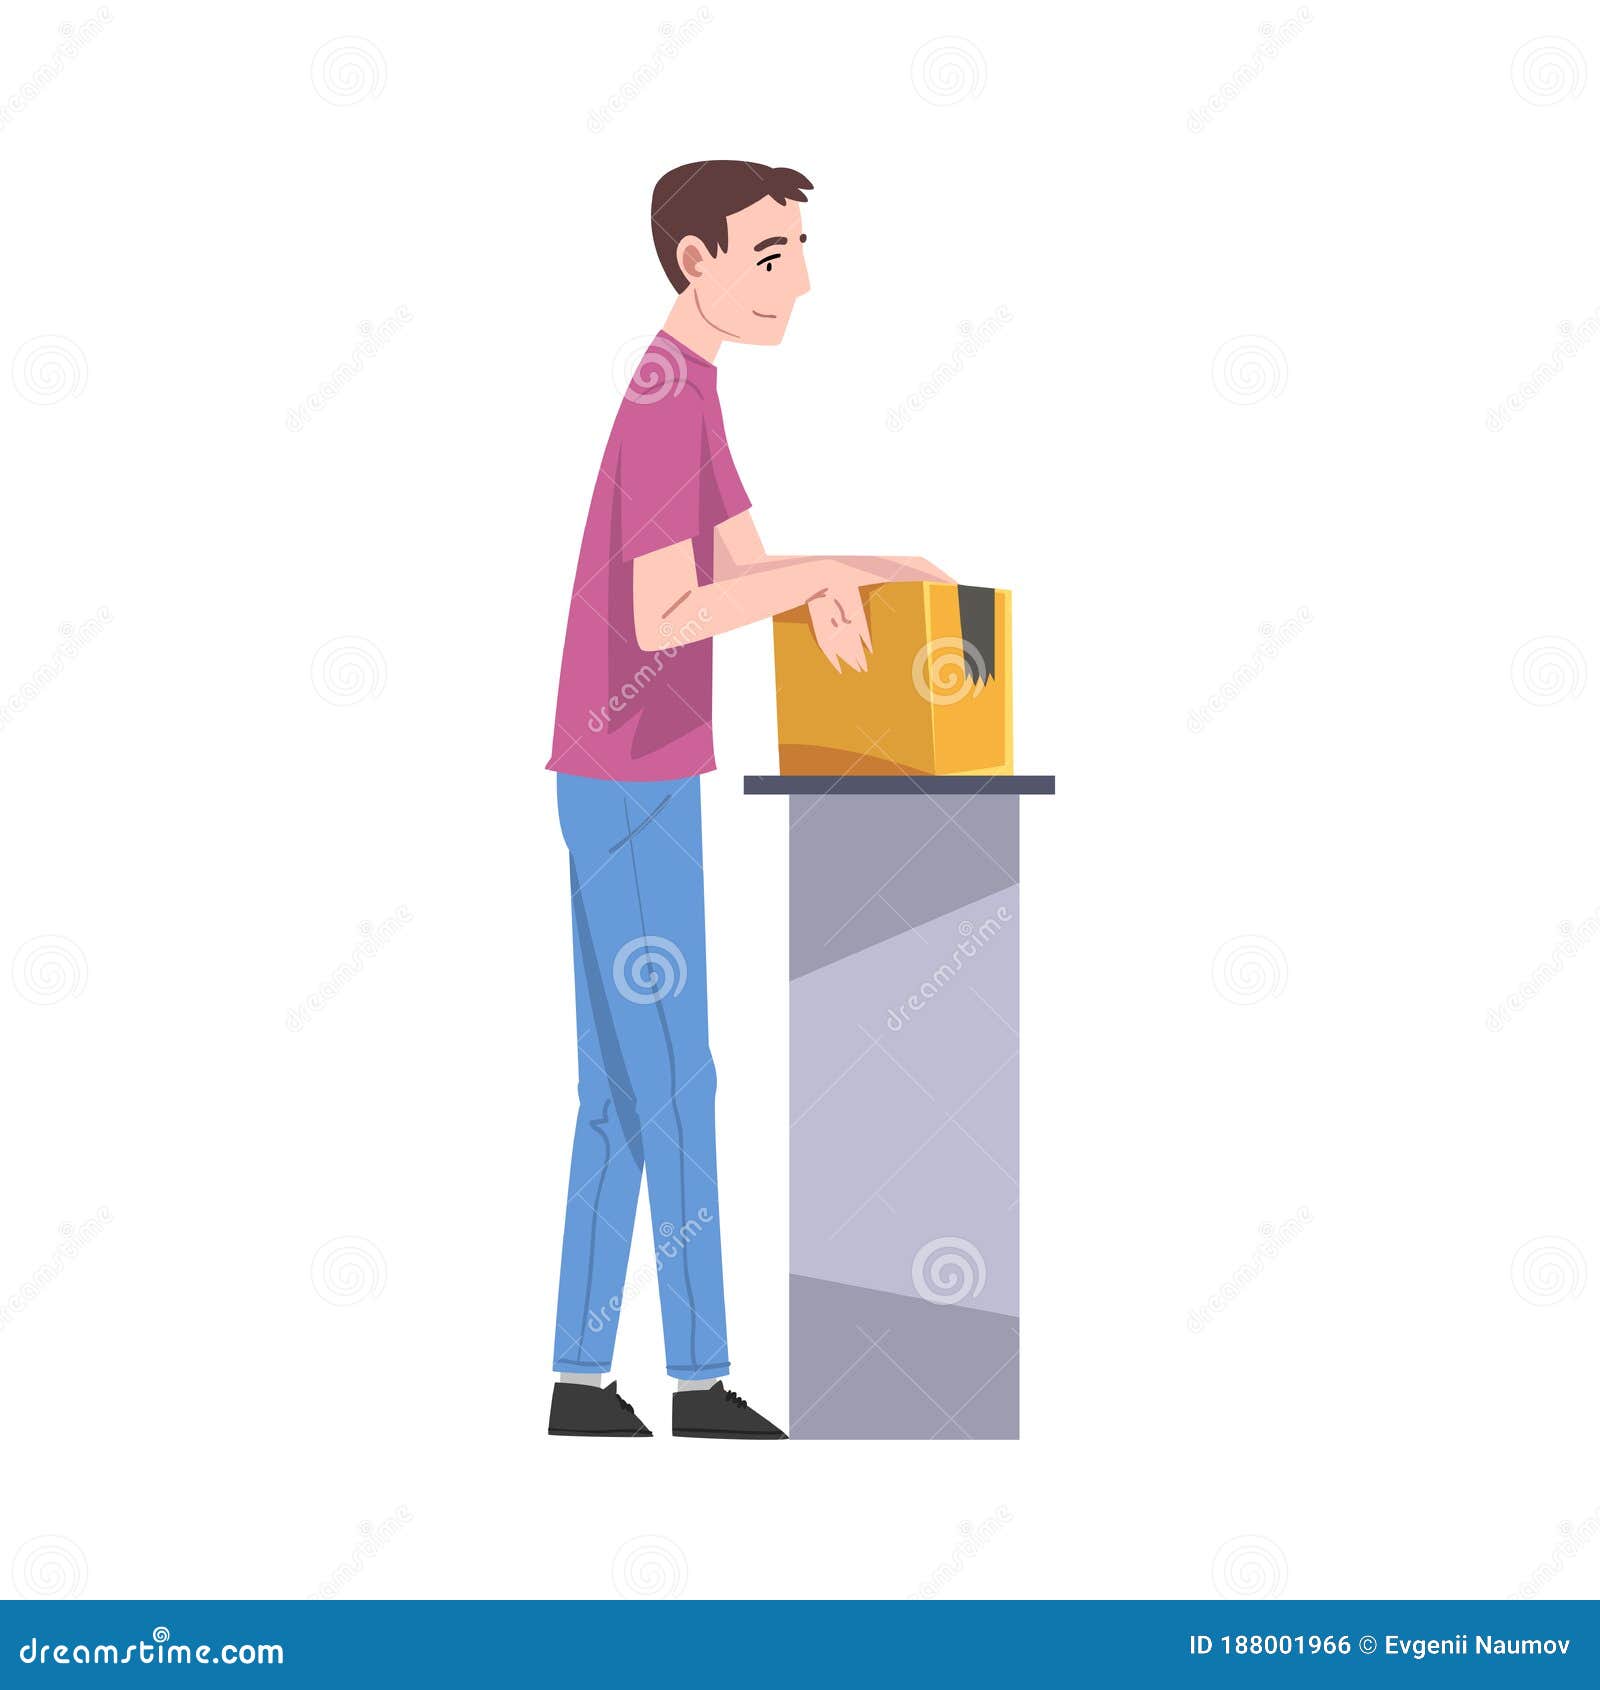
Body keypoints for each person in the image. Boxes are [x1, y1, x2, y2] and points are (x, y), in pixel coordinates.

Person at [546, 160, 951, 1438]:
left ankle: (579, 1380)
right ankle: (702, 1378)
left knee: (616, 1090)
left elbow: (749, 570)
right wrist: (824, 575)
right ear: (695, 262)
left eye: (797, 248)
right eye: (771, 254)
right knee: (676, 1078)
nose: (801, 277)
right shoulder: (666, 407)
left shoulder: (689, 390)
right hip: (629, 776)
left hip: (623, 770)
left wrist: (871, 567)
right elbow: (672, 612)